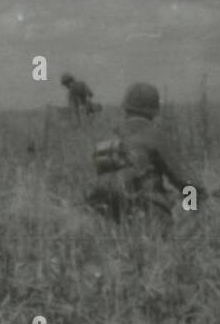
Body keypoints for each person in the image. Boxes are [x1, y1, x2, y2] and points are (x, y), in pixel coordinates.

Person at [86, 82, 205, 223]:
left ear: (126, 108)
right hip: (149, 217)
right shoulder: (155, 135)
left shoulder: (111, 135)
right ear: (153, 111)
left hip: (109, 218)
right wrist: (192, 208)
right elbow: (185, 180)